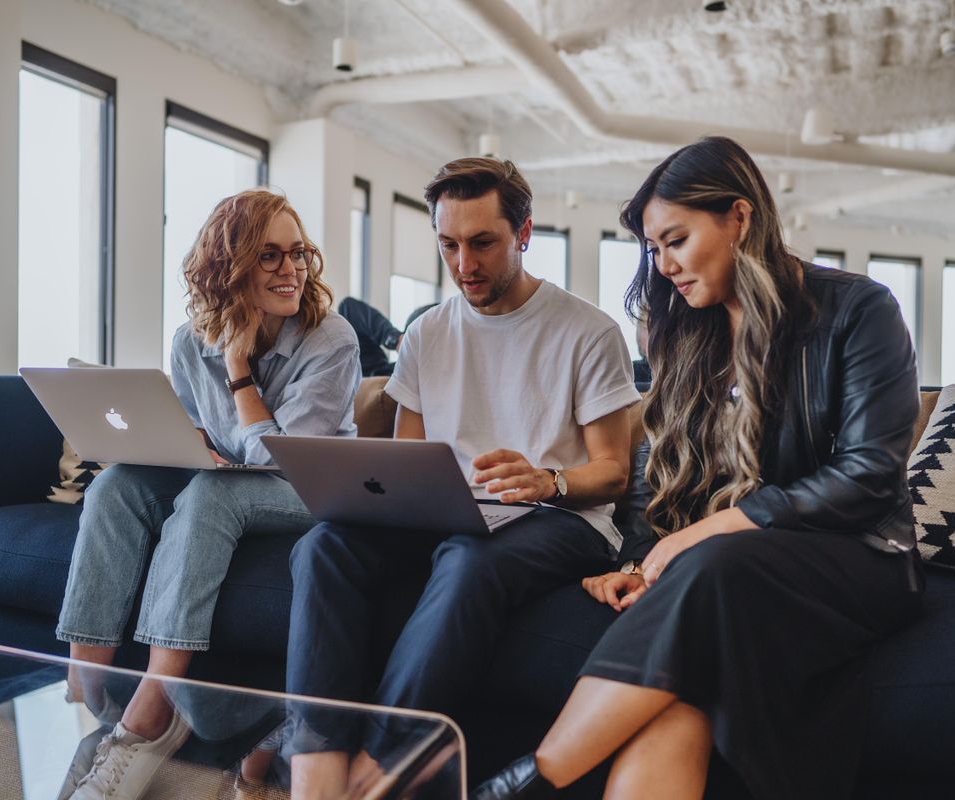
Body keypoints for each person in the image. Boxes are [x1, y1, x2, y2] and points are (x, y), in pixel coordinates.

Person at [472, 136, 924, 800]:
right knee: (676, 700)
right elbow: (664, 479)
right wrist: (639, 558)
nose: (666, 265)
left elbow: (869, 476)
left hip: (860, 555)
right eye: (654, 250)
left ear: (740, 218)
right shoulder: (692, 333)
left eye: (676, 240)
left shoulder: (857, 310)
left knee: (712, 564)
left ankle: (533, 781)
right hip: (729, 573)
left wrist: (709, 534)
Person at [284, 157, 641, 798]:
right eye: (449, 244)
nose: (464, 264)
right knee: (324, 546)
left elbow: (613, 474)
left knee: (469, 556)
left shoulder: (590, 331)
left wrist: (548, 481)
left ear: (524, 233)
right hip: (451, 508)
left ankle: (381, 769)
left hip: (561, 518)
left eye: (483, 243)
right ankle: (316, 768)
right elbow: (406, 460)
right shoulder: (427, 333)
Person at [55, 189, 360, 800]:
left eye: (297, 253)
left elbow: (278, 461)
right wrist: (174, 443)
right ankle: (88, 687)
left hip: (309, 488)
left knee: (211, 497)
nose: (291, 269)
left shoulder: (332, 340)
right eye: (268, 255)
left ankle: (153, 712)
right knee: (116, 486)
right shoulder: (190, 339)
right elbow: (199, 428)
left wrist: (240, 369)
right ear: (230, 266)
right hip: (228, 475)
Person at [337, 296, 402, 376]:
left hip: (380, 371)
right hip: (376, 380)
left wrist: (396, 340)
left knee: (346, 307)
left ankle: (396, 340)